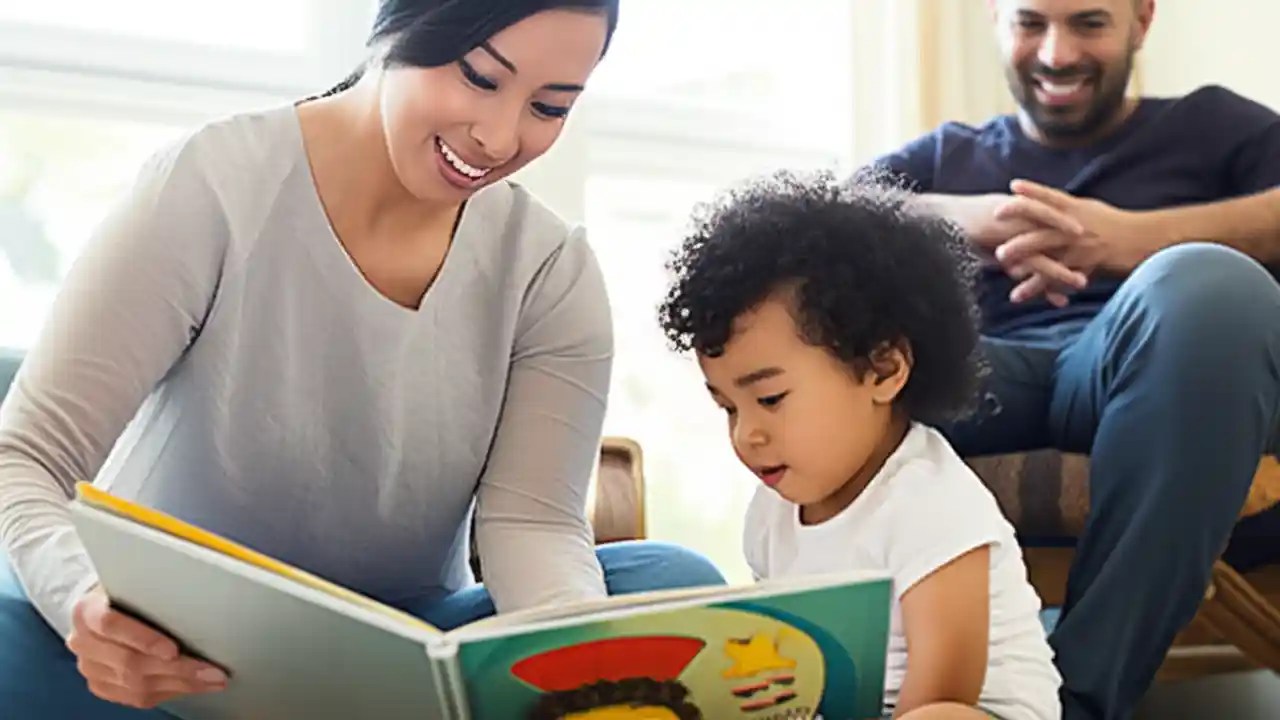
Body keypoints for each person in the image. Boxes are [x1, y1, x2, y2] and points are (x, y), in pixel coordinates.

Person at [0, 1, 727, 716]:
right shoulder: (213, 183)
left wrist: (579, 664)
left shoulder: (549, 270)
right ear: (396, 27)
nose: (500, 136)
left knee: (670, 580)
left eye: (549, 107)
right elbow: (25, 456)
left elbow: (533, 526)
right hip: (165, 658)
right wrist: (85, 605)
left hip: (399, 647)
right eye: (479, 77)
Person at [866, 0, 1280, 718]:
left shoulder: (1217, 128)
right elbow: (829, 210)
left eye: (1088, 22)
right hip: (986, 375)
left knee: (1207, 287)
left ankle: (1078, 701)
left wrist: (1128, 240)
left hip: (1166, 373)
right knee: (830, 352)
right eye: (1031, 23)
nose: (1056, 54)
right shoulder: (945, 157)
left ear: (1142, 21)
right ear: (996, 18)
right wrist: (976, 220)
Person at [657, 170, 1062, 720]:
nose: (746, 434)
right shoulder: (772, 511)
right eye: (728, 407)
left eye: (770, 399)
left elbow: (949, 686)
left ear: (883, 369)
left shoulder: (931, 502)